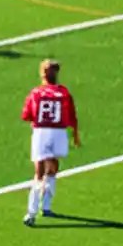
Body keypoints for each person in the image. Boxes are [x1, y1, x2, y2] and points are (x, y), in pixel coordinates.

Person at [21, 59, 79, 227]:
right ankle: (46, 205)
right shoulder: (64, 93)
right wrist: (75, 134)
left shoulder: (36, 93)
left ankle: (31, 212)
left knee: (38, 171)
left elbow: (26, 115)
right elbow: (72, 116)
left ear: (42, 73)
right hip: (59, 132)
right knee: (53, 166)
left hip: (41, 132)